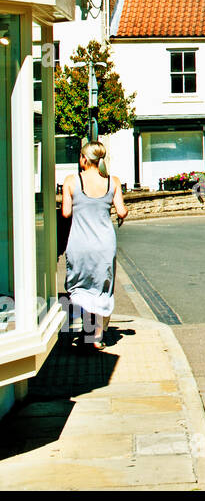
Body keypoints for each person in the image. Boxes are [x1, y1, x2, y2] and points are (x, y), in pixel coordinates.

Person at [61, 141, 127, 350]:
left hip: (79, 243)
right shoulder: (112, 182)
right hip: (104, 244)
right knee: (102, 287)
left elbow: (66, 213)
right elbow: (121, 210)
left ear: (83, 158)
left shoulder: (71, 181)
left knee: (80, 285)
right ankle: (96, 336)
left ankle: (86, 330)